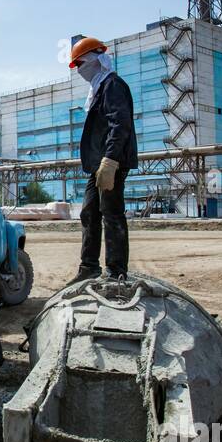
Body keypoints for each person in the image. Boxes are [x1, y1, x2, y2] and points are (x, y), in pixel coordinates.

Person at [68, 37, 137, 284]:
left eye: (80, 64)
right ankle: (88, 267)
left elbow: (120, 124)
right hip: (98, 164)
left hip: (111, 162)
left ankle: (116, 271)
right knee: (89, 212)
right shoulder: (98, 88)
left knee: (112, 213)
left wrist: (111, 160)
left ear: (95, 60)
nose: (79, 70)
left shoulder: (112, 85)